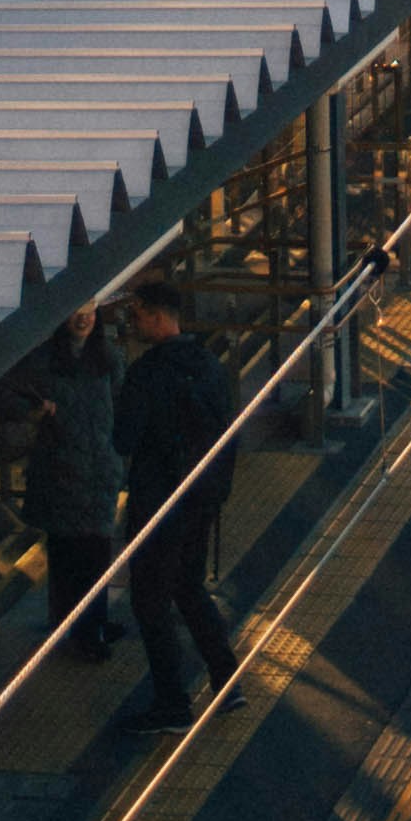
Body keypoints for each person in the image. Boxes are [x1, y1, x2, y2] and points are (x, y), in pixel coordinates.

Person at [113, 284, 239, 728]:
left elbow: (123, 438)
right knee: (188, 585)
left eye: (138, 315)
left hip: (158, 504)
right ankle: (227, 679)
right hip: (202, 498)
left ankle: (173, 703)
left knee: (150, 601)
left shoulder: (146, 374)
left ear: (155, 316)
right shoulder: (209, 366)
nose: (133, 323)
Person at [28, 314, 121, 661]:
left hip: (96, 470)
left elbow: (121, 400)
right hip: (64, 471)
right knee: (72, 552)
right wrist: (33, 410)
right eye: (77, 312)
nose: (84, 319)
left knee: (94, 551)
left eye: (91, 310)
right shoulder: (44, 361)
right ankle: (83, 629)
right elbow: (3, 389)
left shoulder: (108, 357)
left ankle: (88, 624)